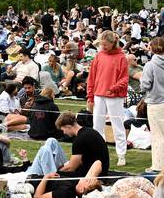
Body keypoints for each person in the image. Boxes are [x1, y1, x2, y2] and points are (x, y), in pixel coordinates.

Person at [87, 30, 129, 165]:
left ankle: (121, 154)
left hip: (114, 96)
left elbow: (124, 78)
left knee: (118, 125)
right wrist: (90, 95)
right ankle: (96, 153)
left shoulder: (121, 57)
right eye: (101, 44)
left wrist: (114, 88)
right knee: (97, 126)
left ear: (112, 43)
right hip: (99, 94)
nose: (103, 47)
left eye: (105, 44)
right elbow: (92, 76)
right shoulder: (99, 56)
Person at [141, 35, 164, 170]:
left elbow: (144, 85)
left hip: (156, 103)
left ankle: (158, 166)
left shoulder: (150, 65)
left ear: (151, 48)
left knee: (158, 136)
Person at [54, 111, 111, 179]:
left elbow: (71, 168)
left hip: (92, 174)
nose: (64, 133)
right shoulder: (91, 131)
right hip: (102, 170)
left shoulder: (79, 140)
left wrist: (57, 173)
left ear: (68, 127)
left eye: (63, 130)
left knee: (57, 176)